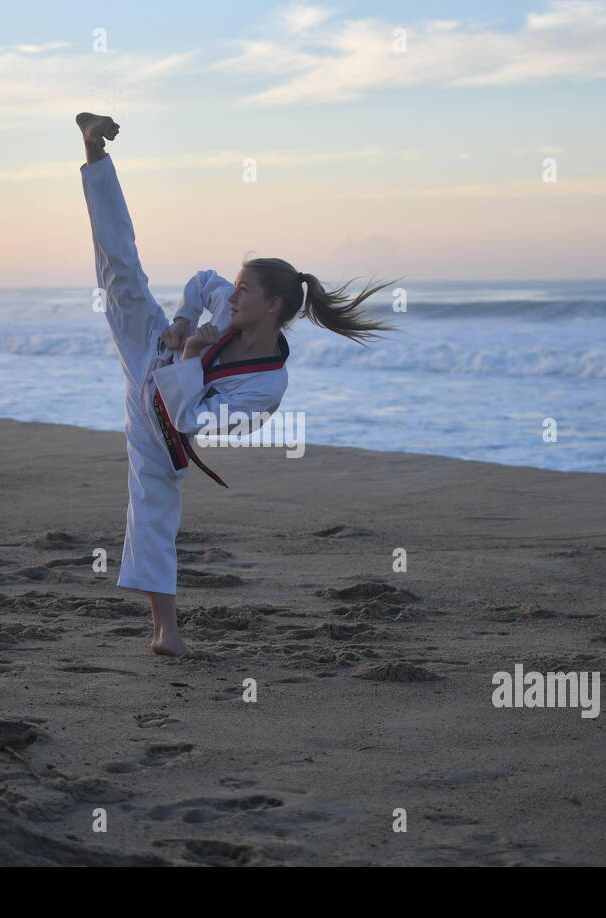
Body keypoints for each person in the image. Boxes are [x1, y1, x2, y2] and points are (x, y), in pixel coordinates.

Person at [77, 112, 401, 656]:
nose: (232, 297)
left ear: (271, 305)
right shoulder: (232, 308)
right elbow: (204, 282)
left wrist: (191, 354)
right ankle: (94, 153)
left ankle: (165, 632)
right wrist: (182, 318)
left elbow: (195, 422)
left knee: (154, 507)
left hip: (165, 419)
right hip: (152, 350)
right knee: (121, 269)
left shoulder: (266, 387)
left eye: (244, 289)